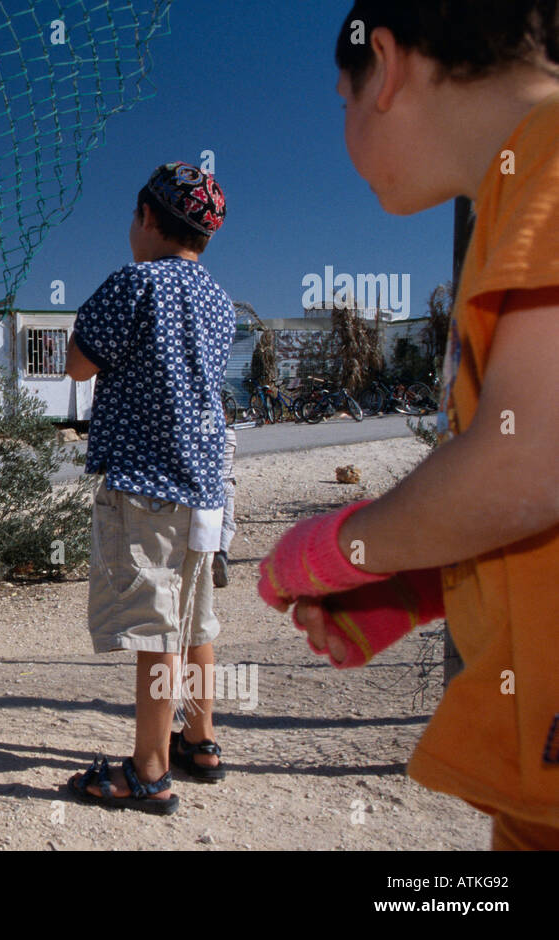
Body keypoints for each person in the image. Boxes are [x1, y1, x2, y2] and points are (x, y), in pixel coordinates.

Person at [260, 1, 559, 850]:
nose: (343, 128)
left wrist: (342, 546)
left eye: (340, 99)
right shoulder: (519, 188)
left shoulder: (553, 162)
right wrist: (419, 583)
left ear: (384, 64)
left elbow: (531, 460)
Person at [64, 162, 234, 814]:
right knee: (197, 620)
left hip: (145, 485)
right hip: (207, 486)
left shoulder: (134, 283)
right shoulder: (218, 299)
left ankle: (149, 772)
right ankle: (202, 739)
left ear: (145, 218)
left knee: (155, 630)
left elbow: (80, 362)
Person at [213, 425, 237, 588]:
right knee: (227, 524)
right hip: (227, 483)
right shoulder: (231, 435)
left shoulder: (206, 433)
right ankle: (222, 551)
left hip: (209, 484)